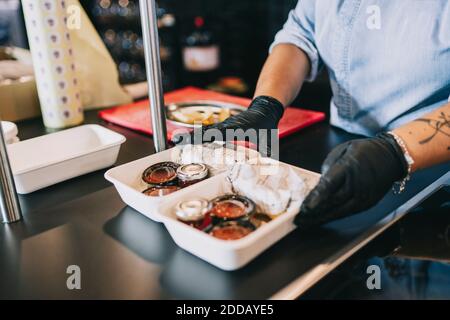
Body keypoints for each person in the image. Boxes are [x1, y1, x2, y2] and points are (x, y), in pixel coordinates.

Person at [175, 0, 450, 229]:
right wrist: (266, 104)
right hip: (345, 154)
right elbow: (300, 36)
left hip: (434, 173)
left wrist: (395, 151)